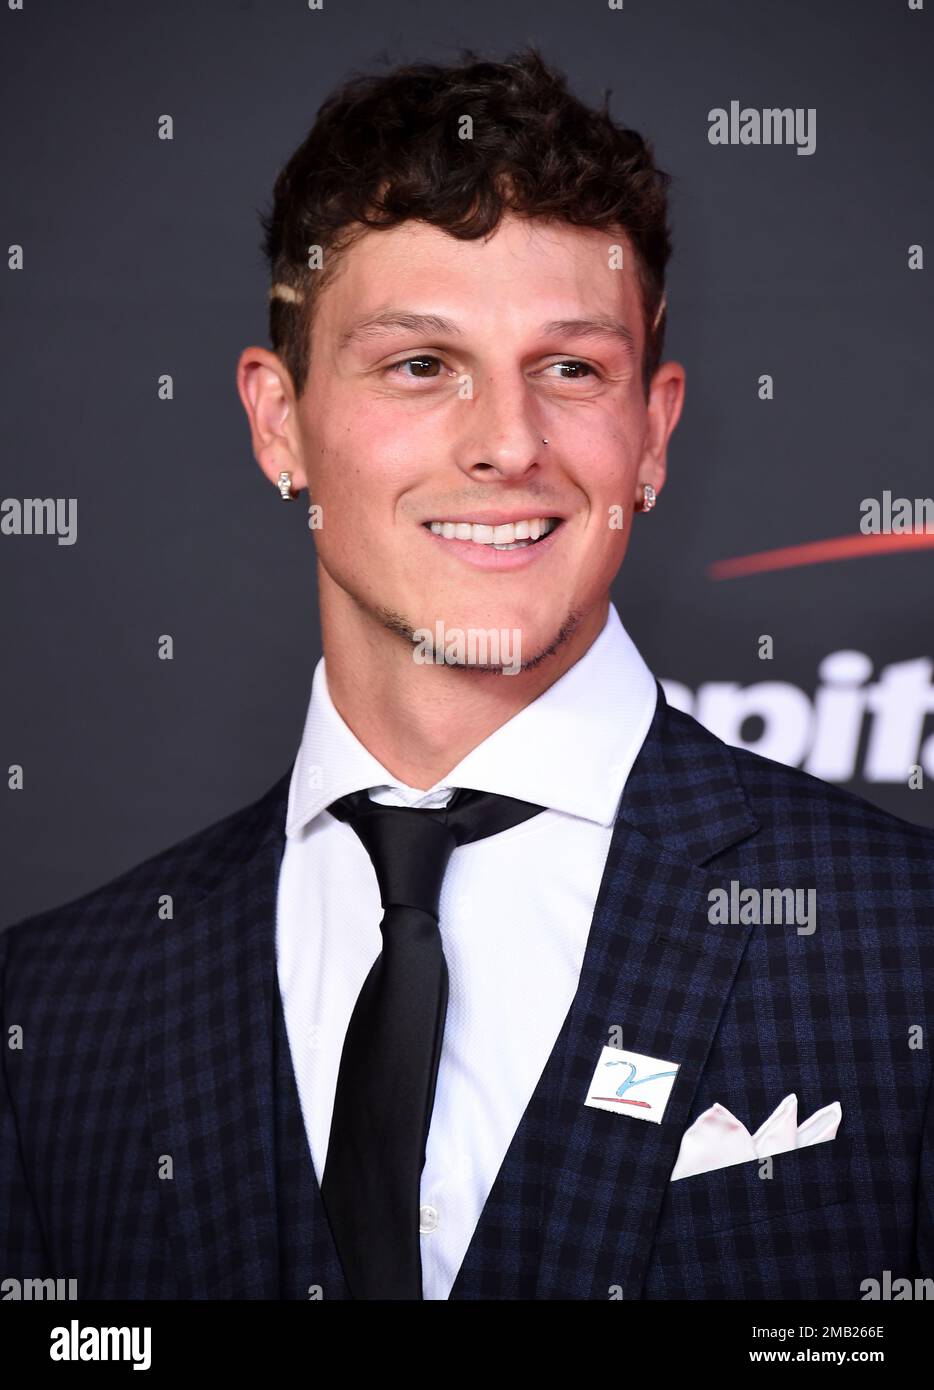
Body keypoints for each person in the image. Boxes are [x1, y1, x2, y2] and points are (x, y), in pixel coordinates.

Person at [2, 45, 932, 1303]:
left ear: (652, 434)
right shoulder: (53, 1006)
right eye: (420, 365)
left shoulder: (905, 941)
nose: (507, 443)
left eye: (570, 369)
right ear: (279, 421)